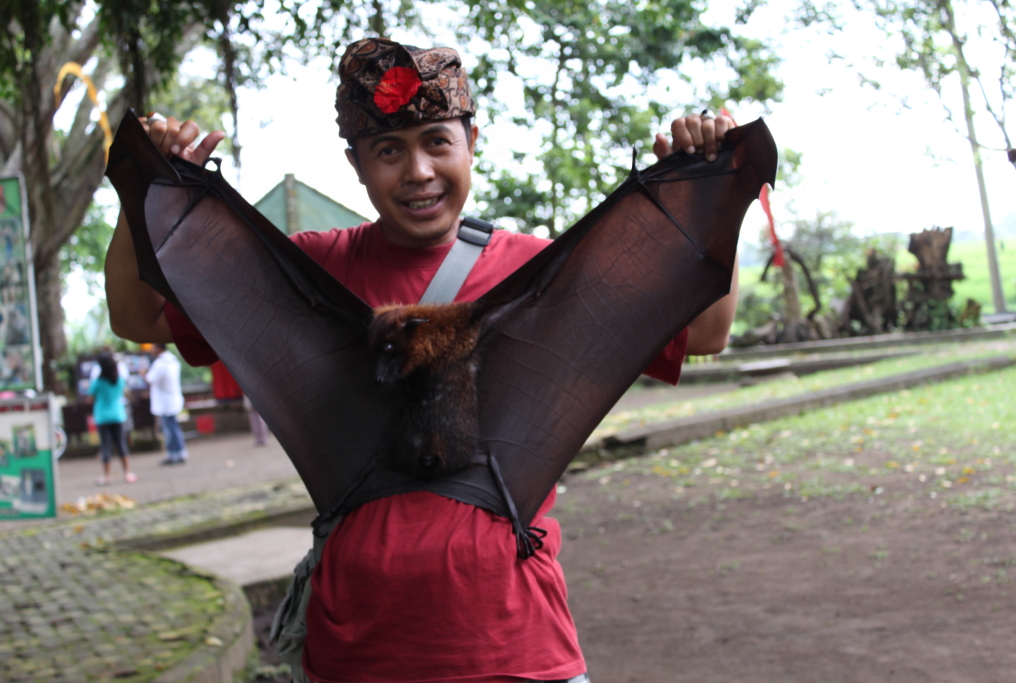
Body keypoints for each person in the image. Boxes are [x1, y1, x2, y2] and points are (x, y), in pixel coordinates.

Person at [105, 37, 739, 683]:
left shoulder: (537, 273)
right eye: (388, 150)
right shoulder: (311, 269)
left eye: (437, 141)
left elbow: (708, 331)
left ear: (472, 141)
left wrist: (711, 190)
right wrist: (140, 184)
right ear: (355, 164)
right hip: (355, 652)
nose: (418, 171)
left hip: (516, 646)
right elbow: (137, 318)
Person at [89, 353, 136, 485]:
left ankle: (107, 476)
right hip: (118, 415)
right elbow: (124, 392)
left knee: (105, 446)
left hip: (102, 417)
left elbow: (90, 398)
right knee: (121, 444)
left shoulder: (97, 382)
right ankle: (127, 474)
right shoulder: (119, 380)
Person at [145, 342, 188, 465]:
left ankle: (173, 455)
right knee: (174, 428)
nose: (152, 350)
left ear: (158, 348)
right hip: (172, 400)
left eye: (153, 348)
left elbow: (150, 379)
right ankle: (179, 453)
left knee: (170, 430)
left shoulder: (160, 363)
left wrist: (143, 374)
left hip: (165, 403)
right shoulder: (173, 361)